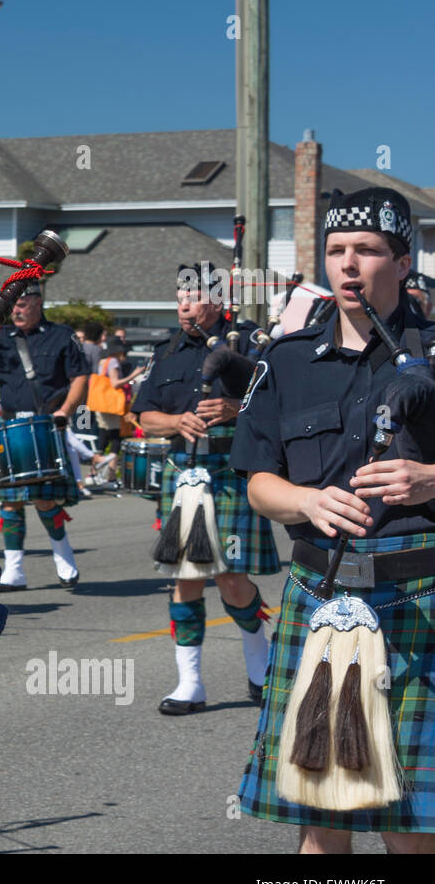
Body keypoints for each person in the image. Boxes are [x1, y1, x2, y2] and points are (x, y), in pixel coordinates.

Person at [232, 187, 435, 853]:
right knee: (321, 820)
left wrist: (430, 478)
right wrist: (308, 501)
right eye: (337, 250)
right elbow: (260, 483)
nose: (350, 264)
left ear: (403, 263)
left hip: (418, 598)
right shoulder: (286, 361)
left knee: (410, 826)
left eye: (369, 250)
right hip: (320, 597)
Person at [132, 263, 281, 715]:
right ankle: (190, 684)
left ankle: (261, 664)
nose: (183, 307)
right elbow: (144, 415)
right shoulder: (167, 352)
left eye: (192, 298)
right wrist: (176, 421)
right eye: (178, 299)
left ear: (217, 300)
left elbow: (281, 401)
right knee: (186, 578)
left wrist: (239, 408)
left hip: (232, 470)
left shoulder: (250, 341)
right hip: (186, 473)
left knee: (232, 579)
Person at [0, 281, 89, 590]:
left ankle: (64, 558)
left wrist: (64, 413)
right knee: (10, 503)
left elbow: (80, 376)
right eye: (13, 304)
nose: (16, 309)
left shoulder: (62, 336)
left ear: (38, 301)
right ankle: (14, 572)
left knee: (44, 499)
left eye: (23, 303)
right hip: (10, 426)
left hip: (46, 425)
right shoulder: (1, 337)